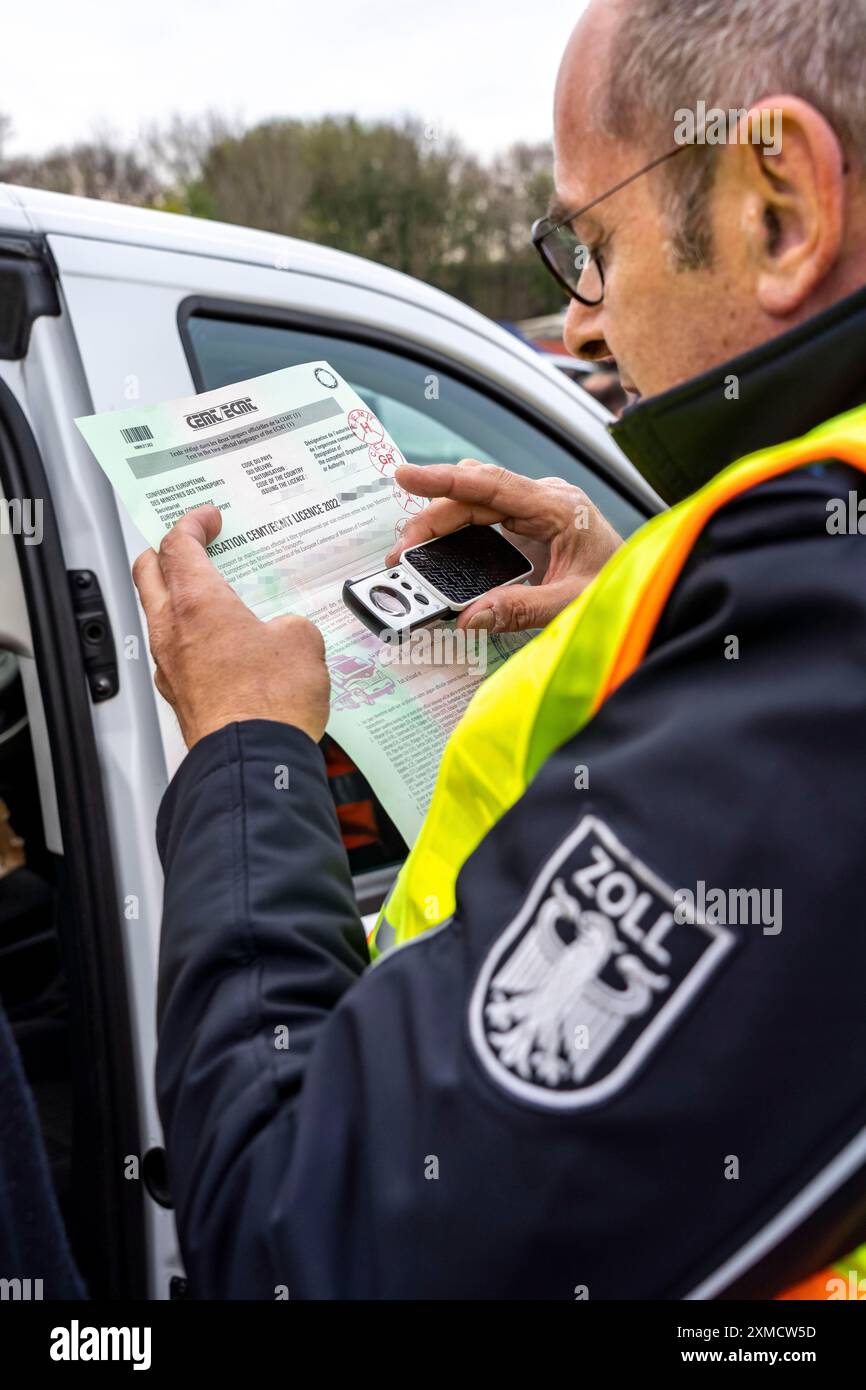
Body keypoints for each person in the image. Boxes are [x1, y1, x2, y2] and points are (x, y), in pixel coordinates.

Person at [135, 0, 866, 1298]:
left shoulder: (827, 600)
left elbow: (303, 1245)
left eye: (588, 244)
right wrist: (633, 598)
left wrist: (248, 751)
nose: (579, 326)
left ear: (779, 204)